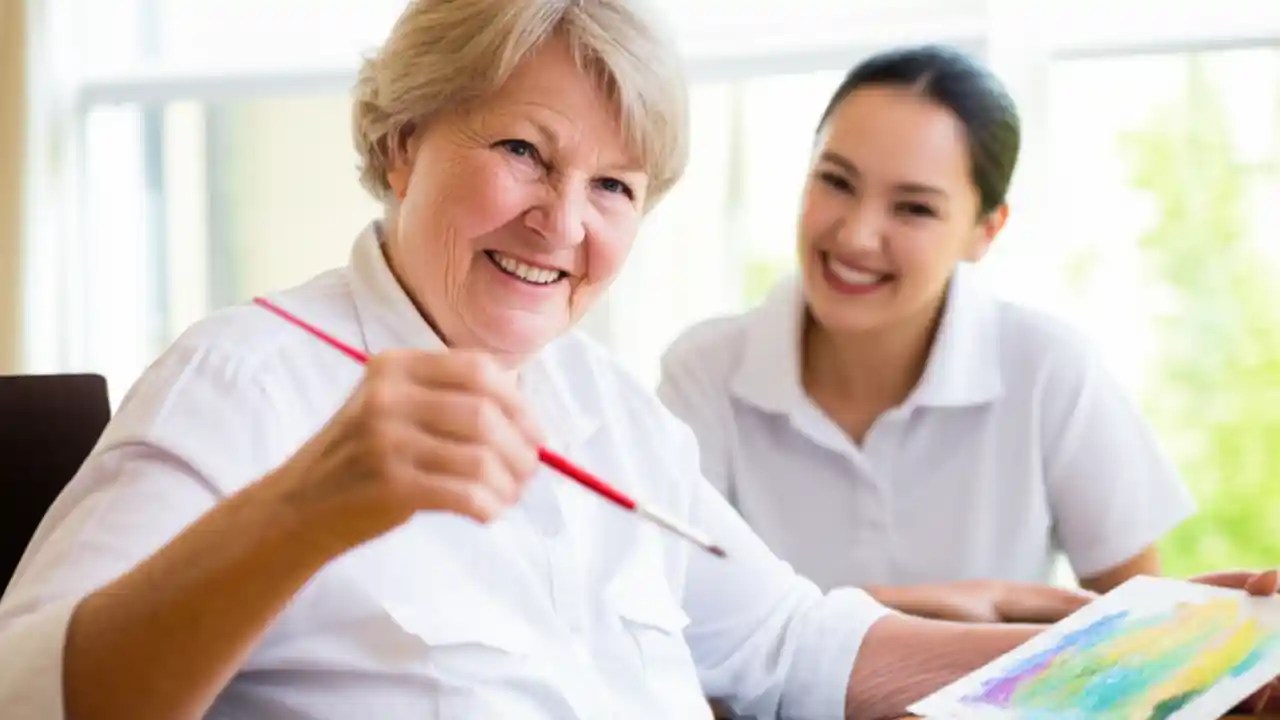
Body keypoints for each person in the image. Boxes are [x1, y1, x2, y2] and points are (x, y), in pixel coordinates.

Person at [0, 6, 1272, 719]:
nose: (563, 222)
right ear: (397, 145)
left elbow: (793, 645)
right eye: (521, 154)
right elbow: (33, 697)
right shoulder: (248, 376)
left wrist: (1162, 643)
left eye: (613, 184)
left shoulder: (605, 404)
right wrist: (304, 508)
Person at [658, 45, 1196, 623]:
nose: (858, 236)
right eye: (837, 182)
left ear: (985, 231)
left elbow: (1142, 633)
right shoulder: (706, 372)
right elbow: (673, 622)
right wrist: (925, 613)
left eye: (913, 208)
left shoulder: (1049, 371)